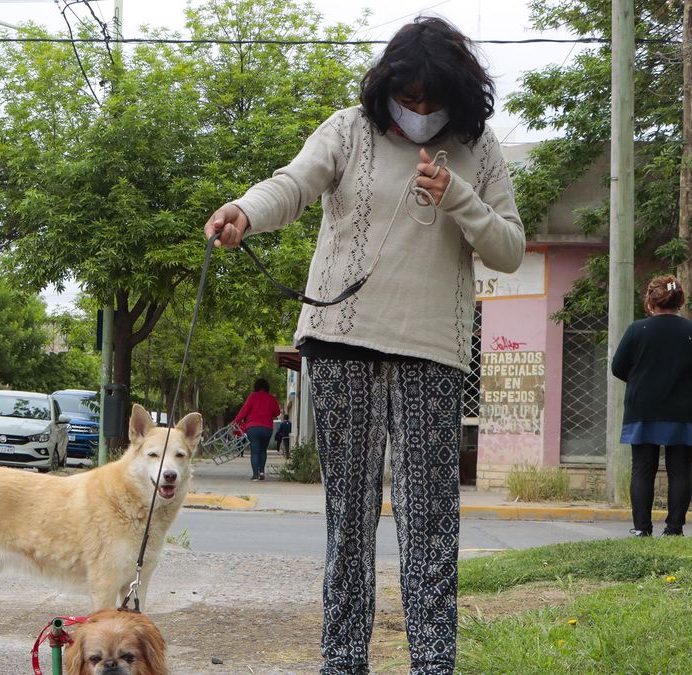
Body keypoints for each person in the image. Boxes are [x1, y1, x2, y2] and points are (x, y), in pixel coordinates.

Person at [203, 17, 524, 674]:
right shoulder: (349, 128)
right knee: (348, 522)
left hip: (433, 352)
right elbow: (291, 185)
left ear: (459, 96)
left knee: (429, 523)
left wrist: (458, 196)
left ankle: (433, 663)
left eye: (435, 101)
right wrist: (244, 211)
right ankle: (342, 661)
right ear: (389, 86)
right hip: (341, 342)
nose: (421, 112)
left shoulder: (478, 148)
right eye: (411, 96)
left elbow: (509, 249)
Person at [612, 274, 692, 537]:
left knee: (643, 467)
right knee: (679, 468)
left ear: (651, 302)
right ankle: (674, 529)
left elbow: (618, 367)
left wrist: (642, 381)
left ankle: (641, 529)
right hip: (684, 411)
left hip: (643, 410)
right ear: (680, 301)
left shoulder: (637, 330)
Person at [234, 378, 281, 481]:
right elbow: (277, 412)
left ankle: (255, 475)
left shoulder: (253, 396)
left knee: (254, 451)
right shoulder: (271, 398)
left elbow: (244, 410)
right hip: (267, 428)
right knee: (263, 450)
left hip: (253, 428)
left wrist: (235, 421)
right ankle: (262, 471)